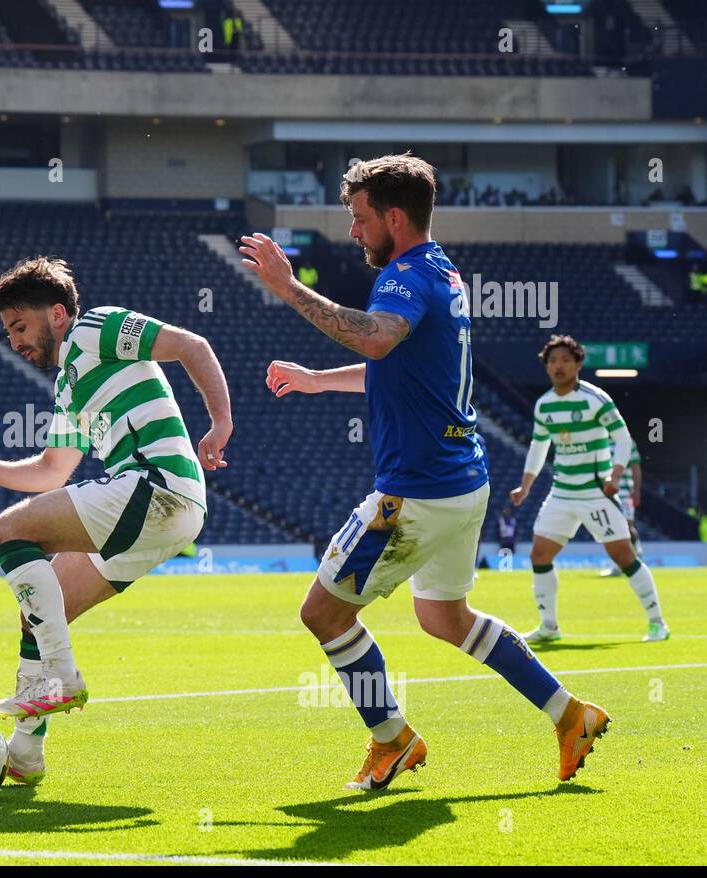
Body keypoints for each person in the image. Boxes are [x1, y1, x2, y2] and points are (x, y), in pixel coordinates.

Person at [241, 153, 609, 789]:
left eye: (359, 219)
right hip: (464, 483)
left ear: (393, 216)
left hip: (415, 492)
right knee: (444, 618)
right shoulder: (442, 273)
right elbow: (397, 367)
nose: (353, 231)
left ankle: (392, 740)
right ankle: (569, 713)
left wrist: (288, 287)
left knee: (323, 615)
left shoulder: (403, 278)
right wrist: (315, 381)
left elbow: (379, 340)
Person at [0, 257, 230, 784]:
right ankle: (25, 754)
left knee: (8, 530)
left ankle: (64, 677)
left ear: (59, 314)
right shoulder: (69, 387)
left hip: (155, 486)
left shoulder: (97, 328)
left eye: (19, 327)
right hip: (162, 511)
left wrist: (220, 422)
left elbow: (192, 346)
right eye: (8, 331)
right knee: (40, 611)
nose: (14, 341)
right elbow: (52, 471)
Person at [509, 336, 668, 642]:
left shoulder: (597, 399)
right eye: (553, 361)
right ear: (546, 366)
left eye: (566, 360)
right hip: (562, 492)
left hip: (597, 492)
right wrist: (525, 486)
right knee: (539, 555)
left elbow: (622, 439)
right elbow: (538, 447)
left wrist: (615, 475)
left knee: (624, 557)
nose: (559, 366)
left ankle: (657, 623)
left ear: (579, 364)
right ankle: (549, 627)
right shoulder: (544, 405)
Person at [601, 439, 643, 577]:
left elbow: (635, 467)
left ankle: (635, 555)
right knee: (612, 529)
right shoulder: (599, 438)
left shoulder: (627, 441)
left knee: (627, 527)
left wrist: (636, 490)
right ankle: (621, 563)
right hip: (605, 492)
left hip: (624, 492)